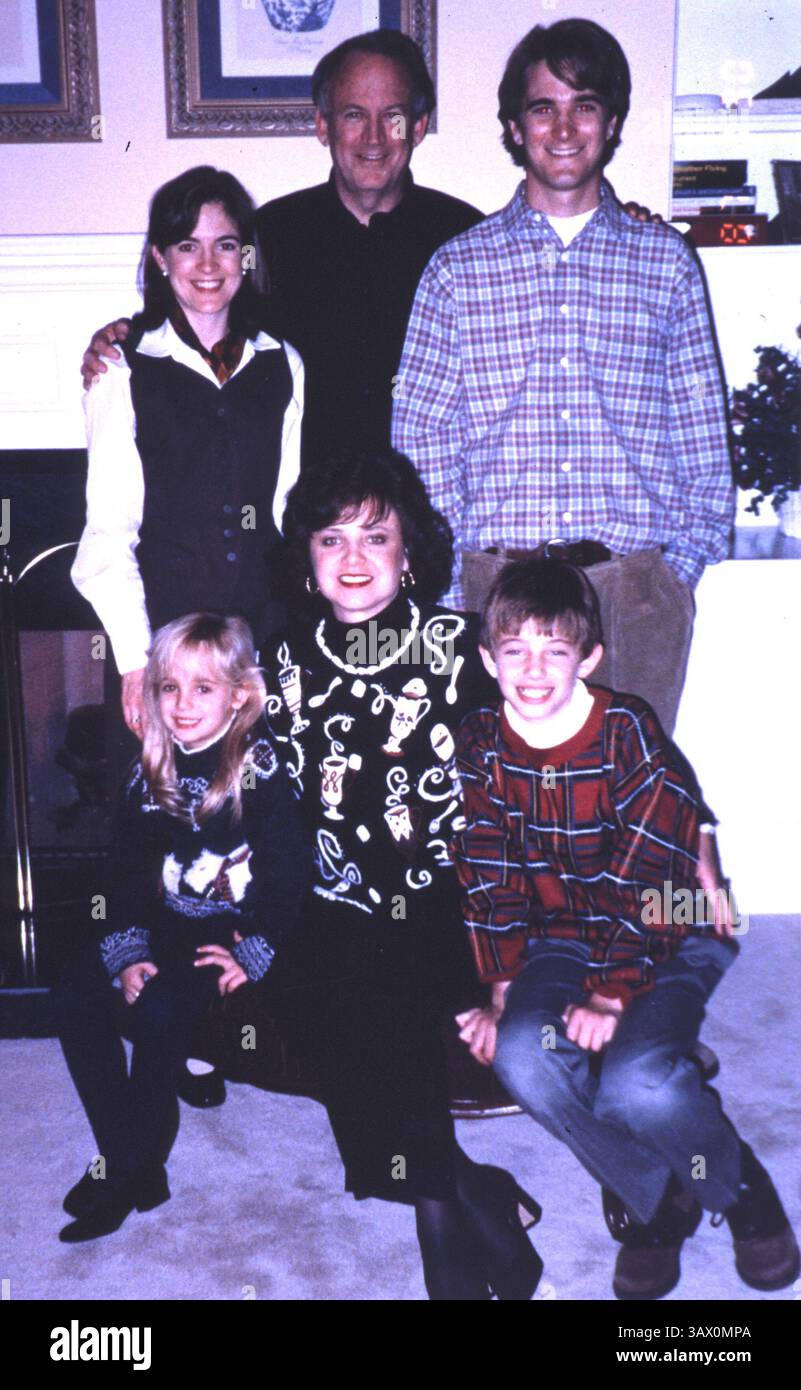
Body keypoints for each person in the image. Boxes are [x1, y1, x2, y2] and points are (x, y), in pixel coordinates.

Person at [451, 557, 800, 1300]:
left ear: (590, 657)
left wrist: (609, 996)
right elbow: (488, 871)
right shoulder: (480, 740)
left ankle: (737, 1190)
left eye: (556, 650)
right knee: (521, 1056)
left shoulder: (623, 732)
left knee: (636, 1084)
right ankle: (654, 1195)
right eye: (515, 651)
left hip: (669, 924)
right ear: (487, 659)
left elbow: (651, 878)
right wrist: (504, 989)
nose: (534, 670)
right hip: (560, 936)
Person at [393, 17, 735, 738]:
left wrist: (670, 578)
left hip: (631, 590)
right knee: (508, 815)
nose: (562, 126)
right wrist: (459, 588)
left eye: (583, 104)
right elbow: (420, 440)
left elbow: (702, 439)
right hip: (498, 592)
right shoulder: (458, 270)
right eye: (542, 106)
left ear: (610, 123)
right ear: (514, 127)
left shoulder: (664, 265)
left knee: (626, 810)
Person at [263, 448, 542, 1300]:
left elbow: (514, 781)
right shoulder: (283, 660)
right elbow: (275, 801)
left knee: (397, 981)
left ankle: (438, 1219)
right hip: (337, 894)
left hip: (452, 893)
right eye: (330, 538)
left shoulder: (460, 646)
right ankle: (460, 1185)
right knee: (317, 984)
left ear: (409, 553)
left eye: (375, 537)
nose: (352, 557)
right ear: (306, 561)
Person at [79, 31, 482, 464]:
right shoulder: (267, 235)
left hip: (425, 502)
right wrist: (127, 337)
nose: (374, 137)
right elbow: (209, 318)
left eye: (393, 117)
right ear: (323, 125)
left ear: (418, 128)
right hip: (295, 507)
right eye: (352, 115)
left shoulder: (466, 240)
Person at [52, 612, 310, 1243]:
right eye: (169, 688)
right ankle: (128, 1155)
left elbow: (288, 875)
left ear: (240, 695)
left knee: (161, 1012)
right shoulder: (149, 771)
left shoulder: (260, 769)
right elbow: (126, 872)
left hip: (228, 931)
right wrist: (126, 952)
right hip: (164, 922)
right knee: (74, 991)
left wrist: (255, 952)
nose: (183, 704)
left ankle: (128, 1167)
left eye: (203, 688)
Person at [72, 165, 304, 743]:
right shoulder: (121, 370)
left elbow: (284, 512)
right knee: (162, 814)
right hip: (160, 648)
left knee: (260, 815)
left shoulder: (283, 365)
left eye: (225, 245)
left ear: (246, 258)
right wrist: (135, 661)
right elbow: (107, 530)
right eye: (187, 245)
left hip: (257, 642)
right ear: (159, 258)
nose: (207, 265)